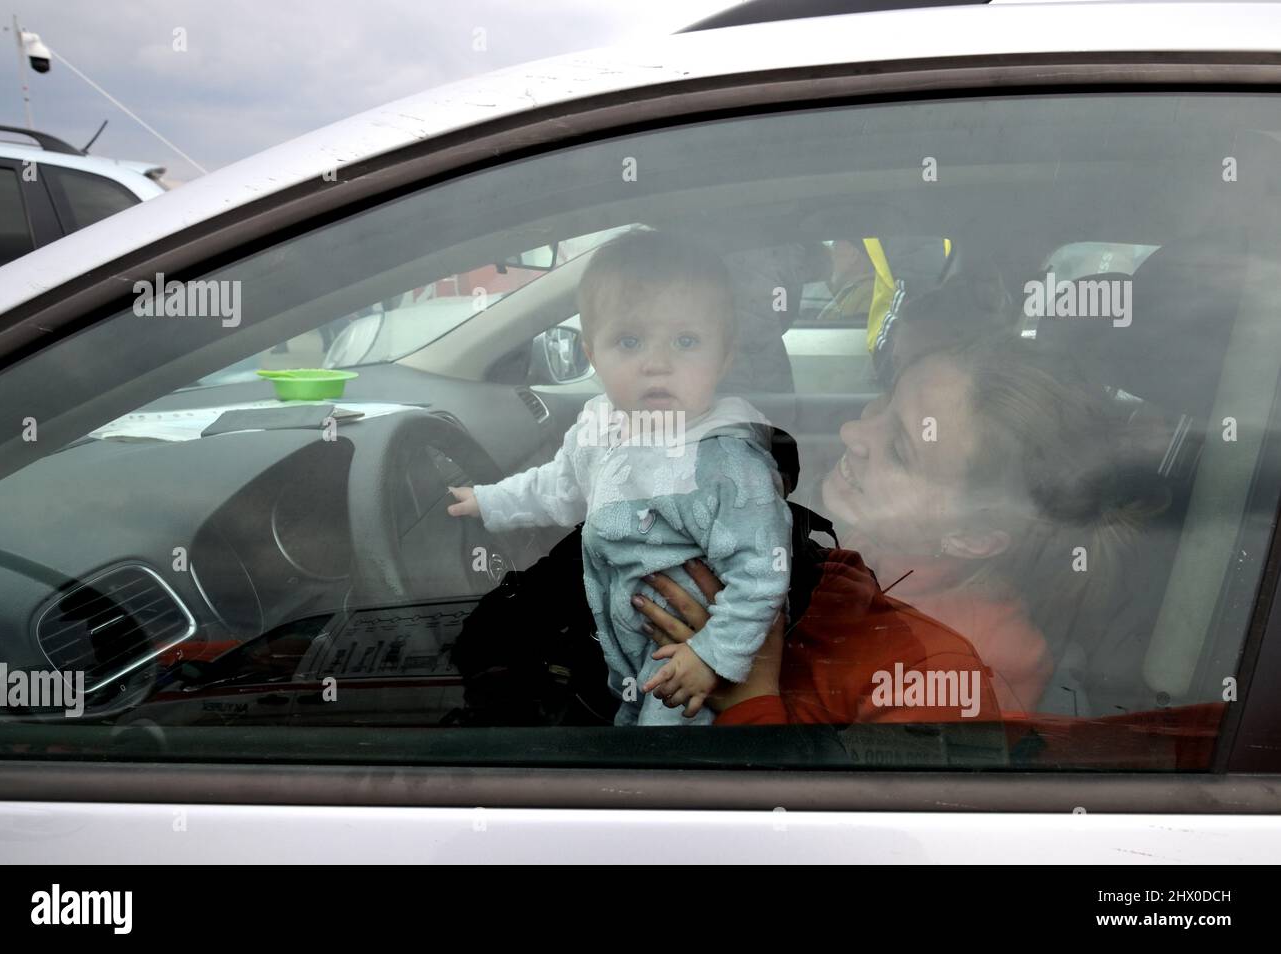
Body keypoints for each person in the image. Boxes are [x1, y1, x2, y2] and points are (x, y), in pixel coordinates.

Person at [634, 335, 1166, 724]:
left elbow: (841, 837)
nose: (851, 432)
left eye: (901, 451)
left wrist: (749, 696)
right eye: (884, 402)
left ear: (972, 538)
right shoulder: (862, 556)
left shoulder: (951, 671)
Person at [447, 230, 793, 726]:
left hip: (690, 659)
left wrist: (712, 656)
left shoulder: (726, 461)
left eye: (686, 341)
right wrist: (489, 501)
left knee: (656, 759)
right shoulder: (601, 428)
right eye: (630, 341)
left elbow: (762, 575)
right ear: (592, 355)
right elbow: (559, 486)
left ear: (725, 356)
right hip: (626, 649)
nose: (657, 364)